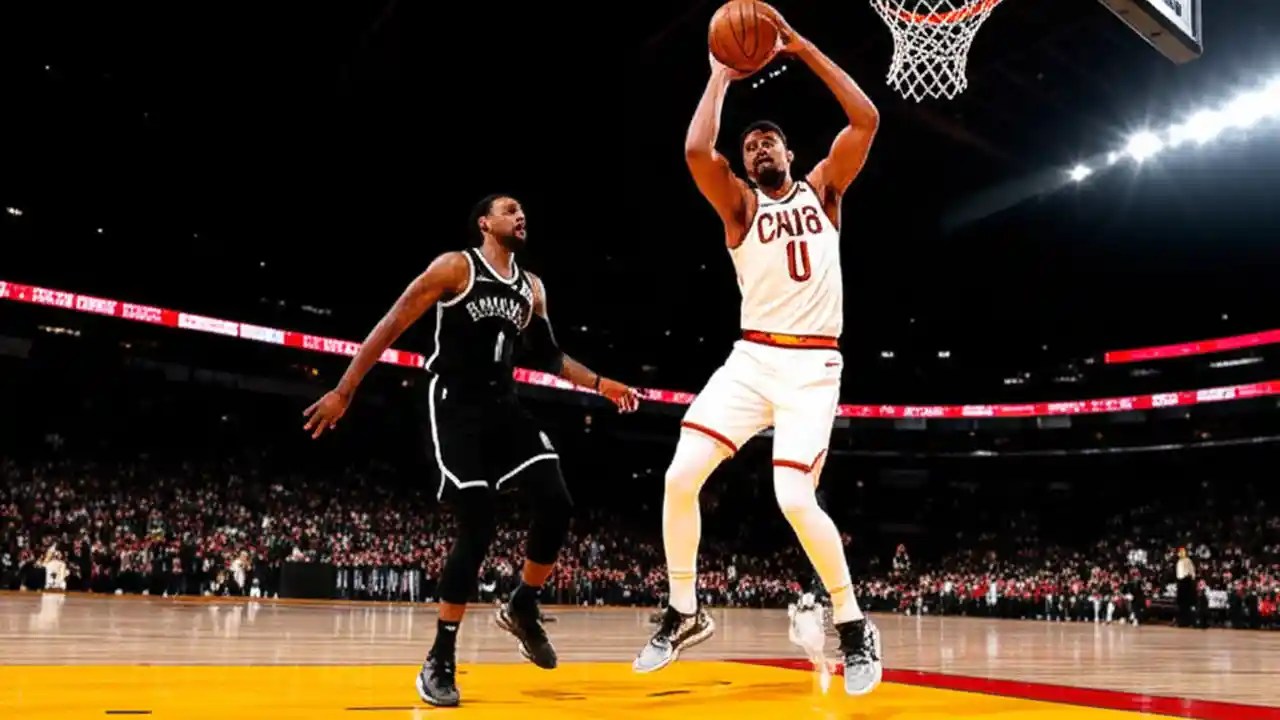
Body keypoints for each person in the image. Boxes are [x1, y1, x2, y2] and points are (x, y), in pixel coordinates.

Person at [632, 5, 883, 697]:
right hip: (750, 360)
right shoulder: (740, 209)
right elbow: (692, 153)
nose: (761, 149)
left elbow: (866, 121)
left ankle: (855, 623)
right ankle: (683, 611)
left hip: (811, 366)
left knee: (793, 497)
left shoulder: (827, 190)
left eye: (770, 142)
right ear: (743, 165)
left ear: (791, 153)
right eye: (751, 148)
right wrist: (718, 76)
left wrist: (803, 48)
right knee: (679, 478)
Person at [303, 193, 640, 707]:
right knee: (479, 520)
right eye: (509, 209)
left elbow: (549, 357)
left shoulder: (533, 288)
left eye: (523, 210)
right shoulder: (456, 268)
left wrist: (603, 384)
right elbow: (393, 322)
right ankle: (439, 656)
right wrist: (345, 389)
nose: (520, 215)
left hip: (504, 408)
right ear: (484, 222)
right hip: (453, 403)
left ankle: (523, 603)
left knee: (556, 500)